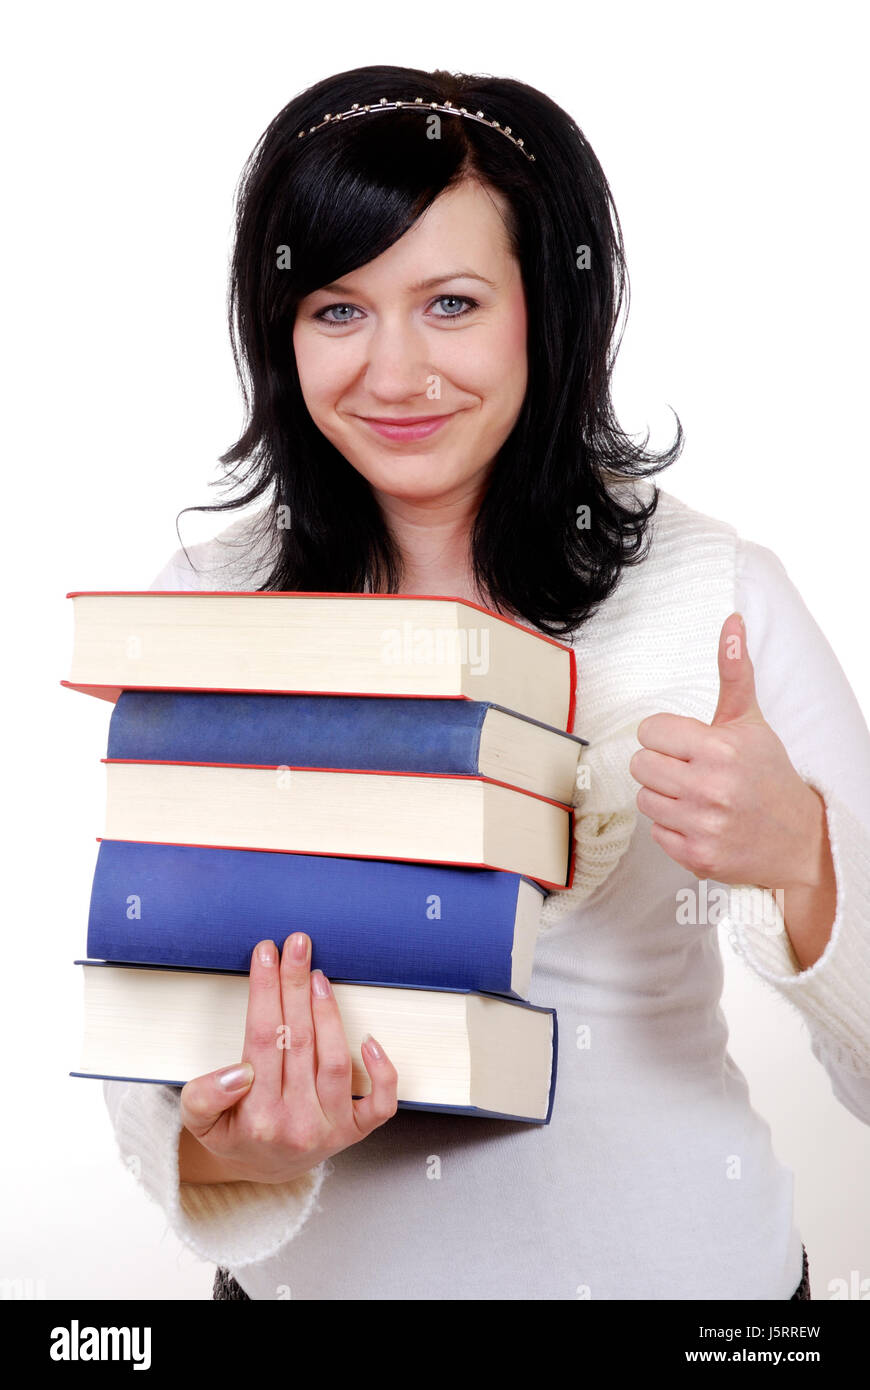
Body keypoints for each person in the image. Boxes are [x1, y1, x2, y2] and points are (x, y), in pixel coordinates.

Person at [102, 64, 870, 1300]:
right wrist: (227, 1143)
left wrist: (808, 862)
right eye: (337, 311)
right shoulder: (210, 605)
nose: (394, 374)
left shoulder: (718, 593)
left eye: (451, 303)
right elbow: (151, 1018)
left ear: (546, 313)